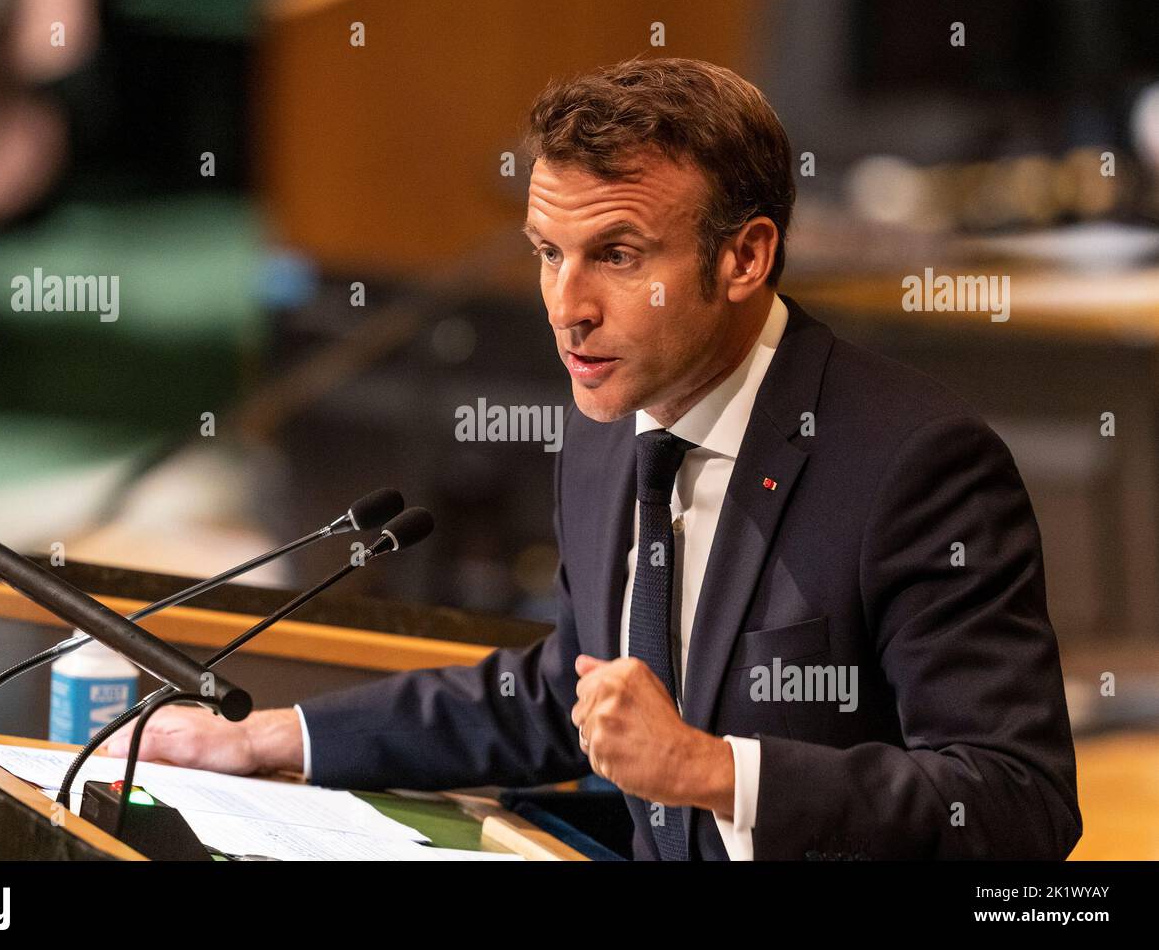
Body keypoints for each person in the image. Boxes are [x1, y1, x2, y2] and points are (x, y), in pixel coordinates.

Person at [108, 57, 1082, 860]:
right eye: (546, 251)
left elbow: (1015, 804)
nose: (566, 305)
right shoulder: (612, 415)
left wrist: (710, 767)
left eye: (616, 255)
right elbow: (571, 691)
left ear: (744, 257)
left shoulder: (913, 465)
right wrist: (276, 736)